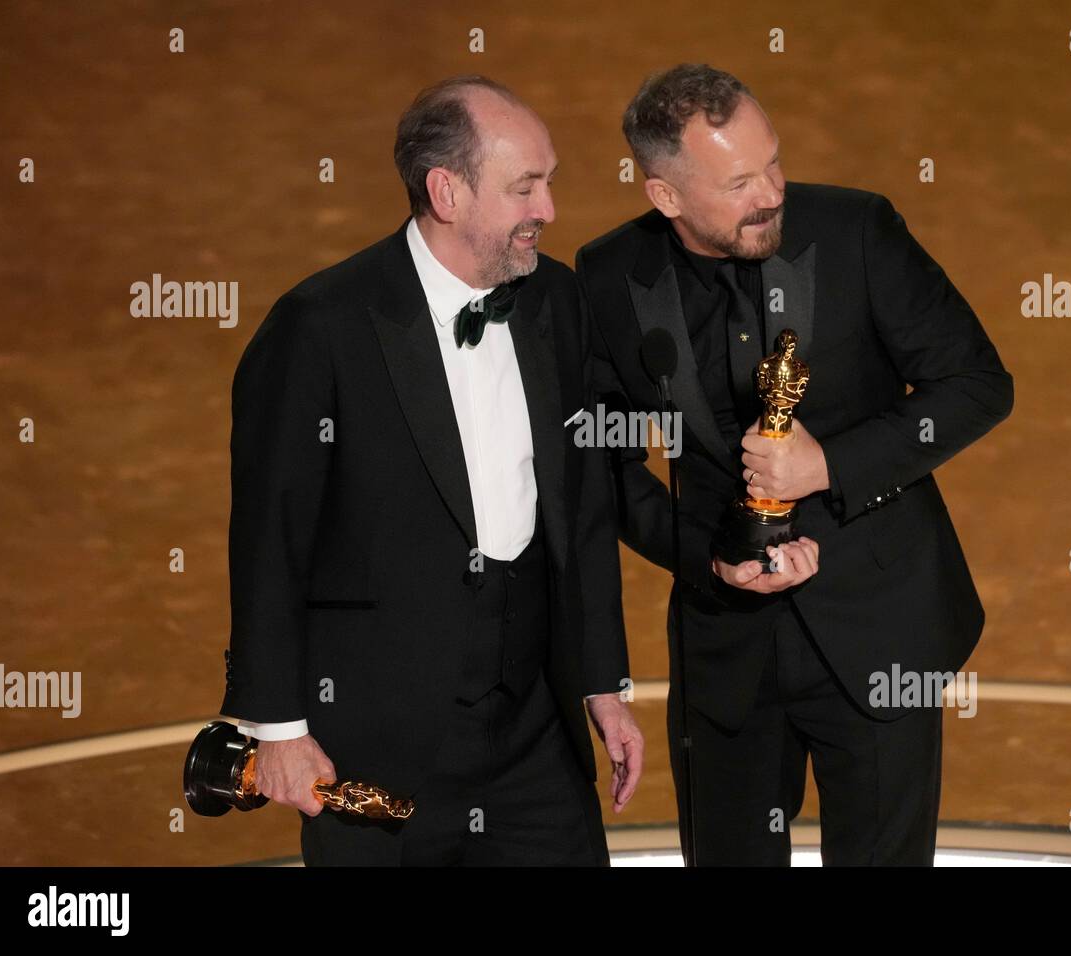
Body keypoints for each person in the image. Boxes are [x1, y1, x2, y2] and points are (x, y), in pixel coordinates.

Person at [576, 63, 1013, 865]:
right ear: (666, 196)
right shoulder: (609, 277)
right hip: (726, 649)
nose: (771, 192)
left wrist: (830, 466)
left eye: (772, 161)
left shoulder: (856, 232)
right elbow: (600, 461)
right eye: (739, 181)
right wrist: (706, 556)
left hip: (882, 634)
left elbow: (977, 385)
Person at [220, 75, 643, 866]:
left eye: (548, 180)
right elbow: (270, 539)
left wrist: (601, 683)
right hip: (375, 750)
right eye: (525, 187)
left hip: (534, 740)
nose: (548, 209)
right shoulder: (320, 328)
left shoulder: (556, 299)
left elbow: (581, 509)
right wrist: (277, 729)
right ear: (446, 192)